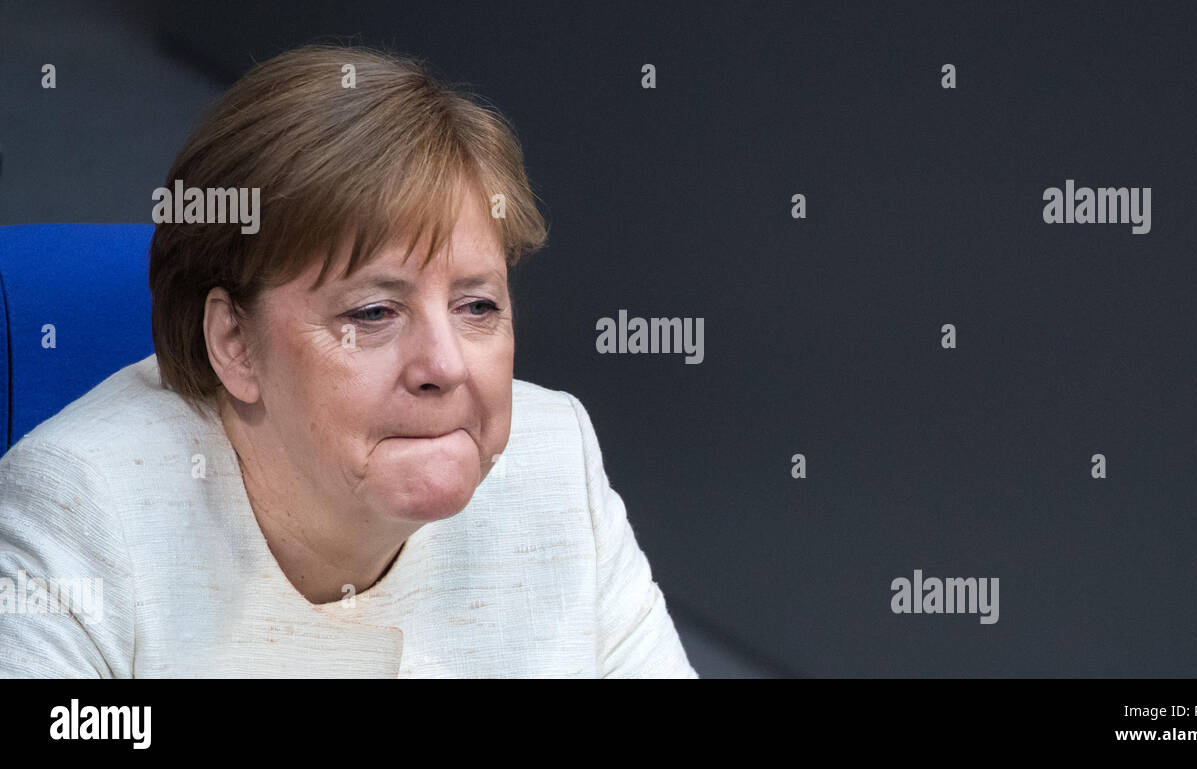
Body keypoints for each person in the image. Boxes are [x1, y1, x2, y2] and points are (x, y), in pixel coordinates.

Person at [0, 44, 697, 678]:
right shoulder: (81, 515)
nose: (444, 365)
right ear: (235, 343)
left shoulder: (556, 465)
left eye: (477, 306)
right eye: (372, 313)